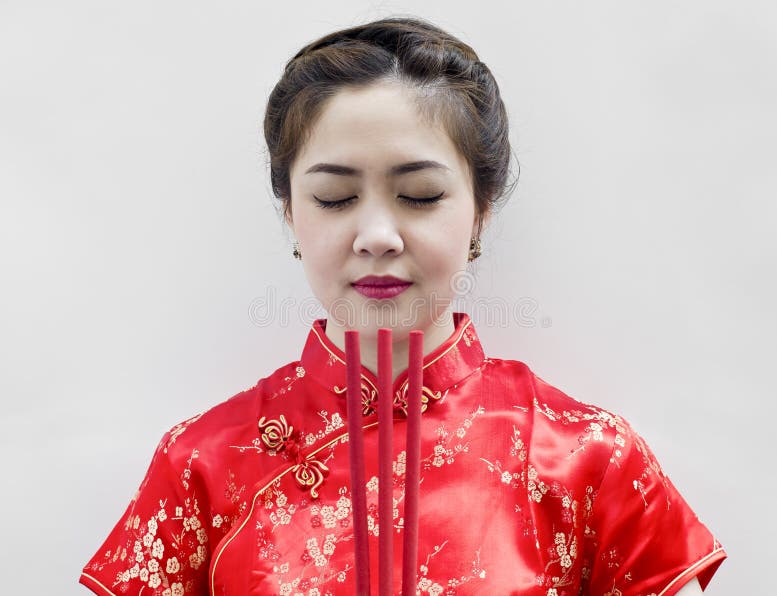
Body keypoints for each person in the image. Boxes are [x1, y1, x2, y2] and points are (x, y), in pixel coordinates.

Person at [79, 16, 726, 595]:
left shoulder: (588, 459)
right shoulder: (201, 465)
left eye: (418, 195)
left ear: (480, 211)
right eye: (335, 199)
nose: (378, 236)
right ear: (291, 213)